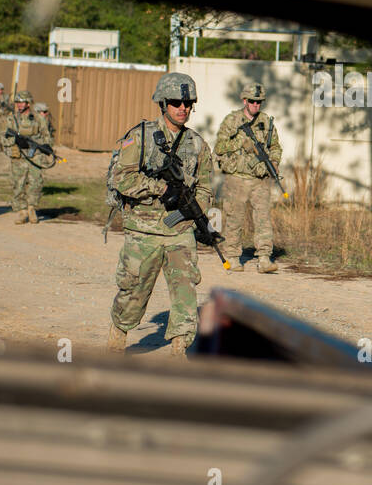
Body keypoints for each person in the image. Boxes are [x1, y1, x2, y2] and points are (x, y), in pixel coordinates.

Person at [106, 72, 214, 356]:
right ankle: (118, 335)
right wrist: (160, 189)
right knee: (134, 292)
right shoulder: (140, 137)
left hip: (180, 231)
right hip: (143, 231)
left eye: (188, 103)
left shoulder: (197, 144)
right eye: (176, 102)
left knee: (185, 291)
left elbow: (205, 187)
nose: (183, 108)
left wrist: (195, 212)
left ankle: (179, 349)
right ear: (163, 103)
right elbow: (122, 178)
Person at [214, 82, 283, 273]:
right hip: (236, 178)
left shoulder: (266, 122)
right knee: (234, 218)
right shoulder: (232, 120)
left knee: (263, 219)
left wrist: (275, 162)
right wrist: (240, 142)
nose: (256, 105)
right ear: (244, 100)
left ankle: (264, 258)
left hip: (259, 179)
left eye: (259, 102)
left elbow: (275, 147)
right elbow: (219, 147)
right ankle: (233, 257)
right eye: (252, 101)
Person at [0, 90, 51, 224]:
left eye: (22, 102)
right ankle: (22, 211)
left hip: (35, 156)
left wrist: (44, 146)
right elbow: (3, 137)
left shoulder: (38, 118)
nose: (19, 105)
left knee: (36, 182)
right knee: (18, 184)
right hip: (18, 156)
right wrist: (15, 141)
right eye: (17, 102)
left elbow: (46, 136)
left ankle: (31, 208)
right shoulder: (11, 119)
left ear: (28, 103)